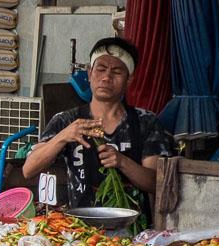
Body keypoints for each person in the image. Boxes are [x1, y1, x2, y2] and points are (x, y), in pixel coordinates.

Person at [22, 36, 175, 210]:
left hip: (133, 230)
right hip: (82, 231)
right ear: (89, 73)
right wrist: (63, 136)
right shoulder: (65, 120)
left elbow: (157, 183)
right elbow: (29, 170)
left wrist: (122, 162)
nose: (106, 77)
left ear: (129, 80)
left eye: (117, 72)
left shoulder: (146, 121)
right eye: (100, 69)